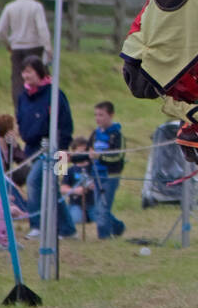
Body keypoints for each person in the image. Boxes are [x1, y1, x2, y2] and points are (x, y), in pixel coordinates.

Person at [15, 55, 74, 239]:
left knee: (33, 181)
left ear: (39, 72)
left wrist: (63, 149)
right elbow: (20, 118)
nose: (25, 75)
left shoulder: (54, 94)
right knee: (51, 188)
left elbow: (65, 123)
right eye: (23, 71)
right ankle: (67, 229)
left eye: (29, 71)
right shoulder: (23, 96)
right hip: (31, 149)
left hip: (53, 149)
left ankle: (37, 226)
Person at [0, 0, 51, 103]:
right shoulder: (36, 6)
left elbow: (0, 30)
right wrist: (48, 47)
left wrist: (7, 44)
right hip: (35, 47)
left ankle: (19, 108)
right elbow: (42, 28)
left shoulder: (9, 7)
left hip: (16, 48)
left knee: (18, 79)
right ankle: (41, 104)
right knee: (40, 78)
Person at [88, 100, 126, 239]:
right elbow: (88, 153)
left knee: (103, 208)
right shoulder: (95, 134)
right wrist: (71, 158)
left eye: (101, 115)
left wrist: (100, 157)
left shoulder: (117, 135)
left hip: (110, 177)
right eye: (96, 115)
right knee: (99, 208)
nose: (98, 118)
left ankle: (104, 237)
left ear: (111, 115)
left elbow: (118, 156)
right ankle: (118, 227)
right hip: (96, 175)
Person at [61, 138, 96, 224]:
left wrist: (94, 186)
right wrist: (75, 191)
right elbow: (63, 188)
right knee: (76, 220)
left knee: (100, 219)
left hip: (93, 203)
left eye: (85, 151)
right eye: (80, 152)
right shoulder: (70, 170)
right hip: (76, 204)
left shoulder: (95, 168)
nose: (83, 154)